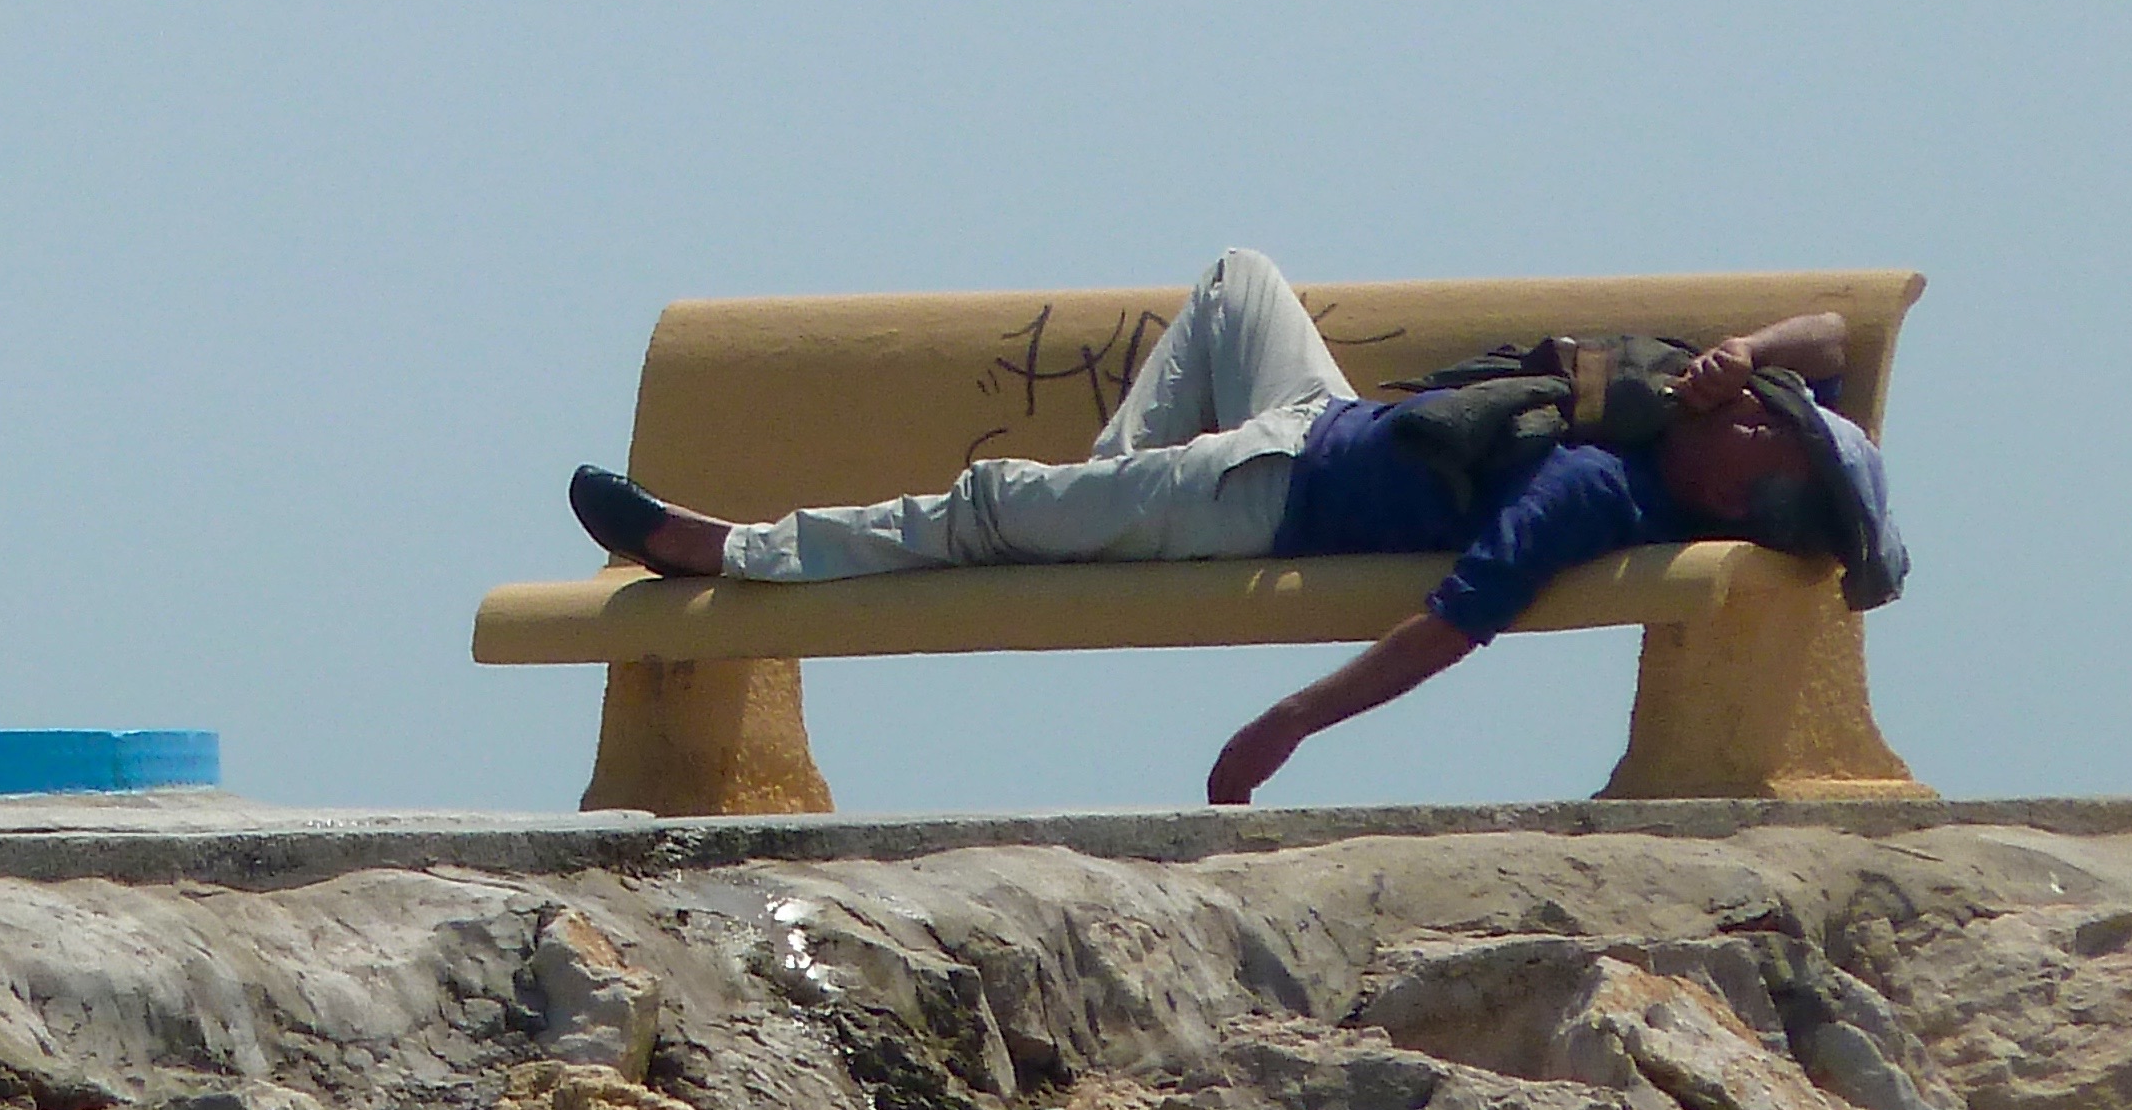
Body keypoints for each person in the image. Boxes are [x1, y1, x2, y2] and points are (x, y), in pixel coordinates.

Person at [567, 248, 1903, 806]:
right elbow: (1835, 336)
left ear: (1751, 480)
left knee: (987, 507)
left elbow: (1451, 626)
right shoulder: (1696, 419)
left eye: (1769, 421)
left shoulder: (1602, 491)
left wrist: (1291, 723)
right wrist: (1750, 354)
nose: (1760, 402)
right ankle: (1096, 509)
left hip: (1266, 492)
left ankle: (733, 550)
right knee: (1238, 283)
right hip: (1310, 421)